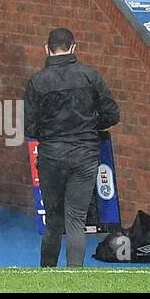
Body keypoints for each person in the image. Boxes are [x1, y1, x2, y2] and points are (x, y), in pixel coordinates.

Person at [22, 28, 120, 267]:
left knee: (54, 222)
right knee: (76, 219)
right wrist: (89, 126)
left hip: (52, 156)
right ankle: (74, 276)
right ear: (74, 47)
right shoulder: (90, 76)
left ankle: (47, 274)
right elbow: (112, 114)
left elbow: (30, 128)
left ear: (47, 49)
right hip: (85, 155)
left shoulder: (37, 81)